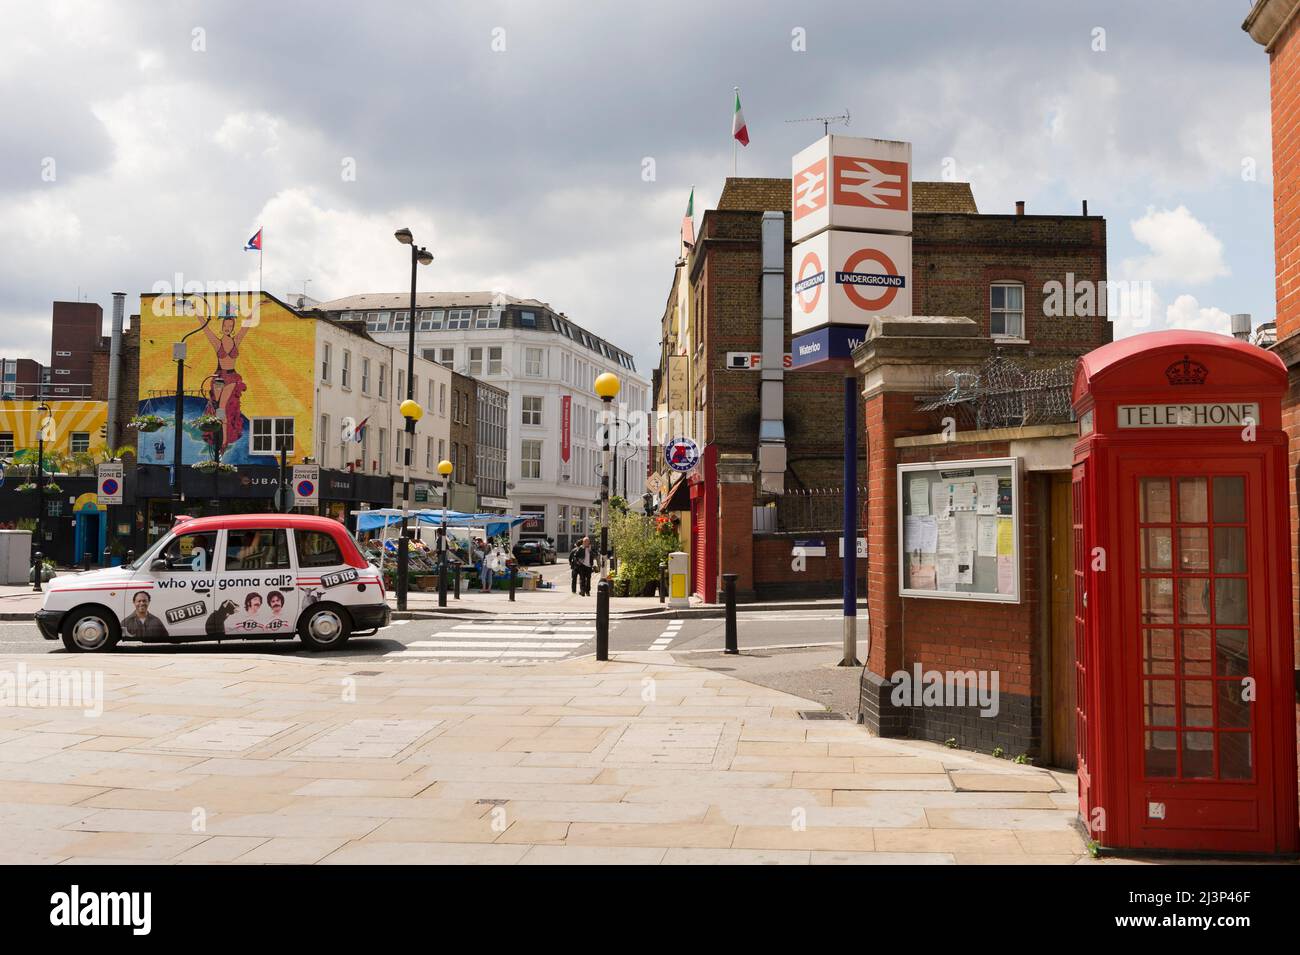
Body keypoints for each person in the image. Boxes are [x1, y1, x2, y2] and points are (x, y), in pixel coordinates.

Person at [202, 310, 251, 448]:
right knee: (218, 407)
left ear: (233, 328)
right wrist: (197, 313)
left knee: (222, 406)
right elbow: (205, 329)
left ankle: (223, 440)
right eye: (225, 325)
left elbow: (246, 327)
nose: (227, 328)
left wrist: (255, 309)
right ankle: (216, 436)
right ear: (222, 326)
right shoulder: (217, 343)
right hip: (219, 376)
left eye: (230, 326)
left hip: (231, 377)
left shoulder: (236, 341)